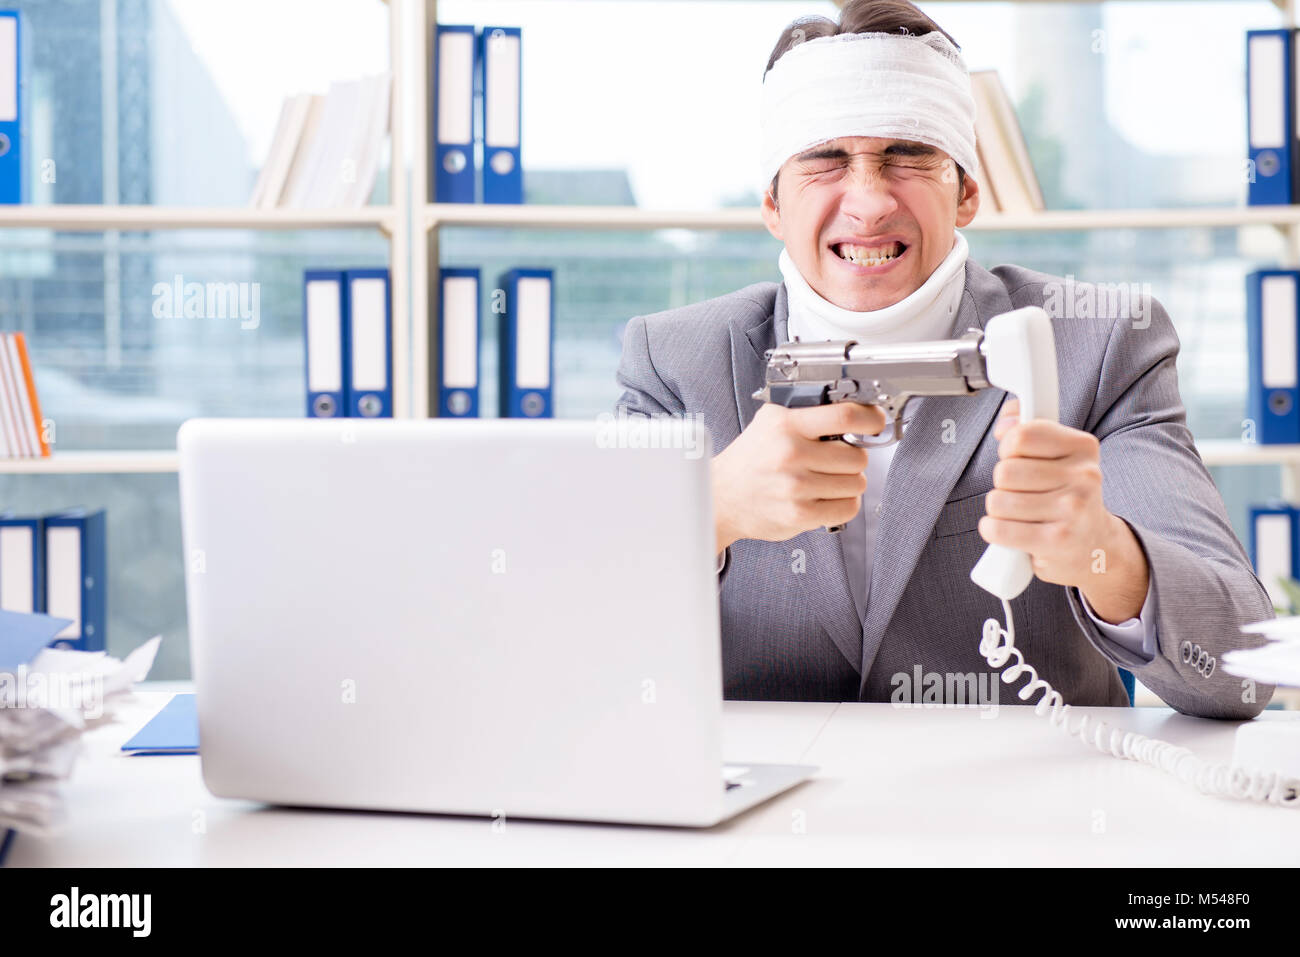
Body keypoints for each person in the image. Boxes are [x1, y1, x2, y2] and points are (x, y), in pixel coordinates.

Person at [614, 0, 1274, 717]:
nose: (867, 202)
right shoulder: (675, 362)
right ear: (772, 203)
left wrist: (1105, 553)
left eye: (907, 155)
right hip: (750, 817)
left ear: (965, 190)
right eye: (825, 160)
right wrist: (704, 510)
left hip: (1017, 816)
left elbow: (1240, 673)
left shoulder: (1103, 344)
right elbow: (560, 634)